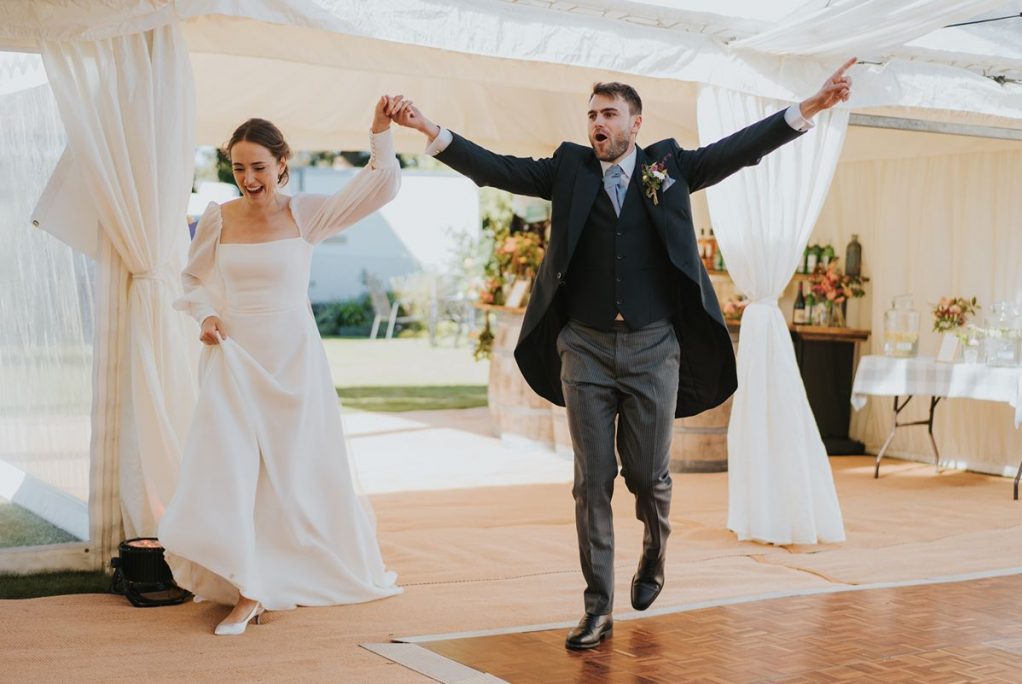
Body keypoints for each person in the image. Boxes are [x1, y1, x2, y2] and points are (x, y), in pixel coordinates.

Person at [390, 60, 854, 649]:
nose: (597, 124)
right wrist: (429, 127)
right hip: (582, 346)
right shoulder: (569, 169)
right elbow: (497, 170)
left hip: (653, 347)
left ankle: (655, 555)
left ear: (635, 122)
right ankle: (597, 608)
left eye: (609, 114)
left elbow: (742, 148)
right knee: (592, 480)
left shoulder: (669, 167)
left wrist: (808, 107)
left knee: (649, 476)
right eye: (591, 115)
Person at [159, 96, 410, 635]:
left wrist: (378, 132)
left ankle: (272, 577)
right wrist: (205, 316)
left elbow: (382, 183)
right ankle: (247, 587)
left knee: (290, 475)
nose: (248, 178)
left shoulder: (309, 212)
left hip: (294, 362)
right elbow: (192, 281)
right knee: (231, 468)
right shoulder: (217, 217)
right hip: (235, 359)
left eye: (258, 167)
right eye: (238, 167)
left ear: (281, 163)